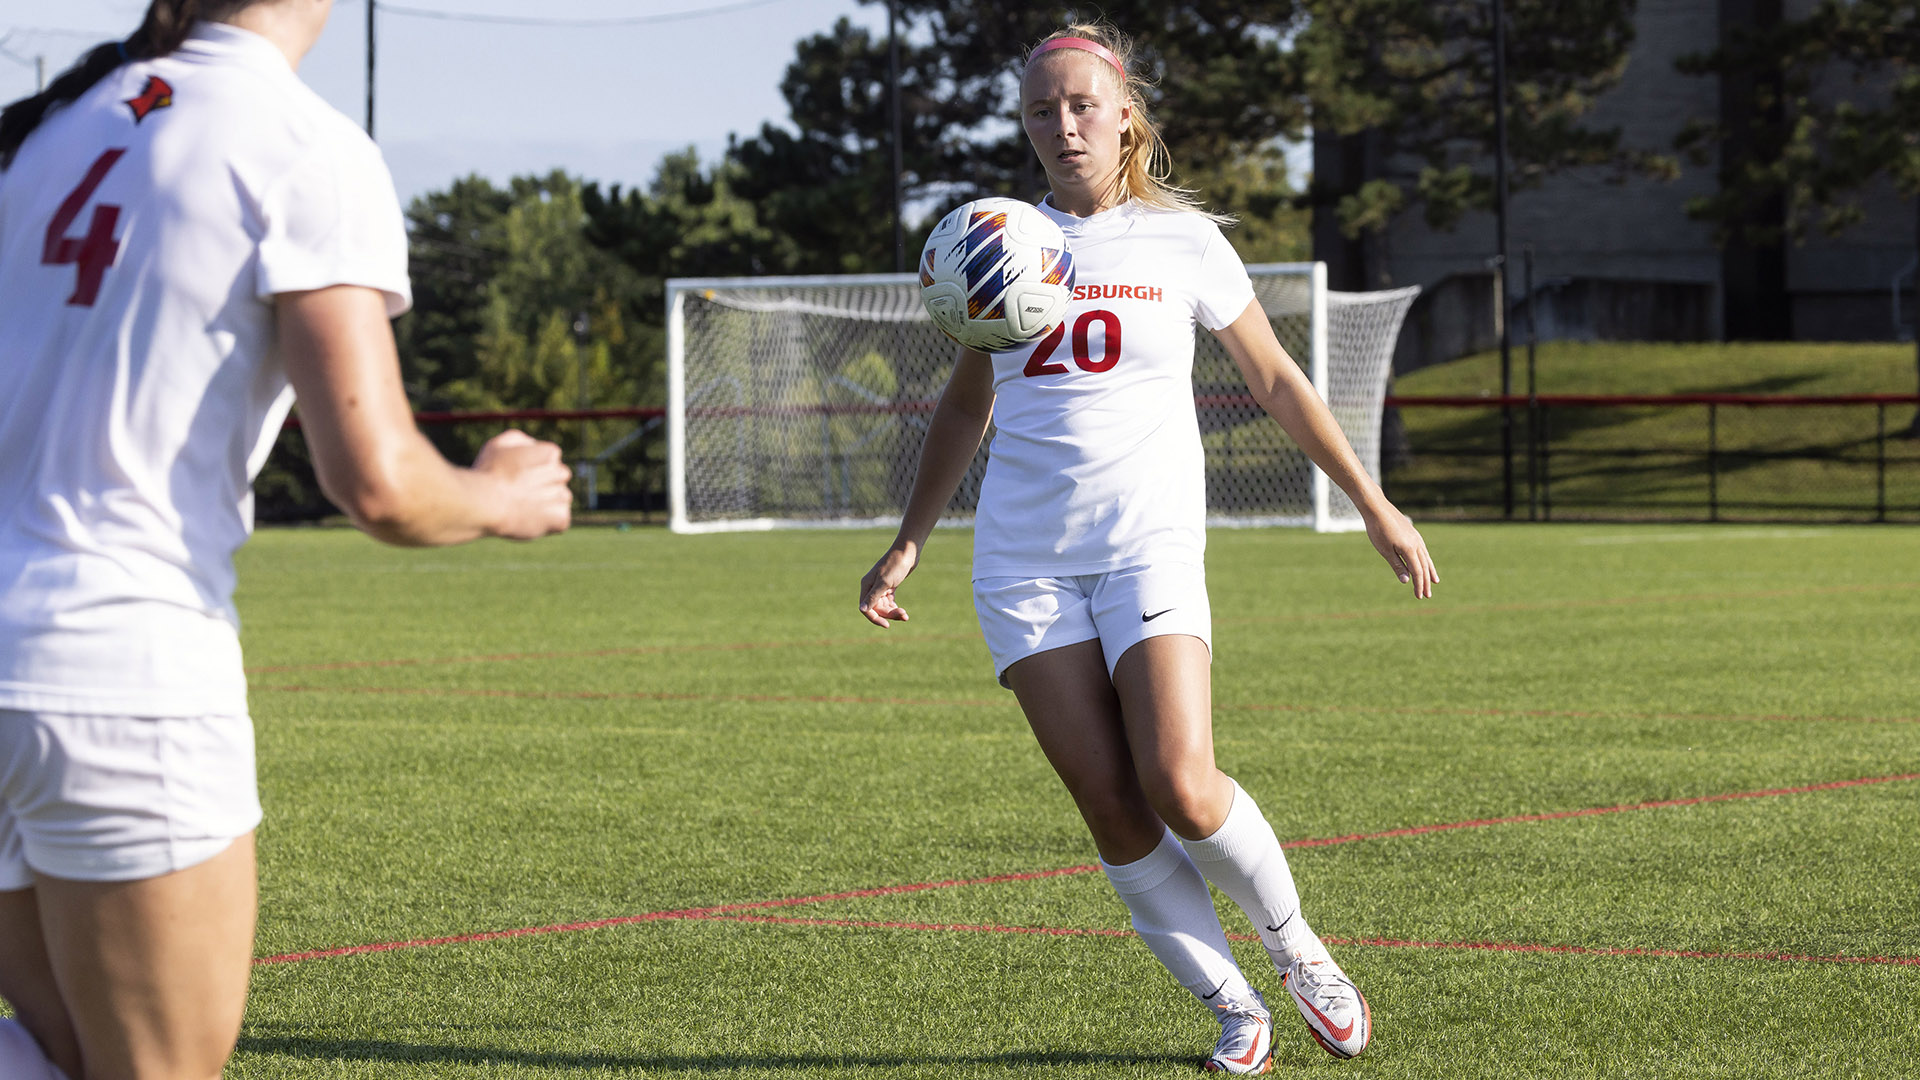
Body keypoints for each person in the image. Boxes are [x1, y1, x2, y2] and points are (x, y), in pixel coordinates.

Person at [0, 2, 573, 1077]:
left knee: (64, 1052)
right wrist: (504, 494)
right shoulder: (301, 146)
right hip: (118, 669)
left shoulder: (50, 132)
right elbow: (382, 484)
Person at [860, 23, 1438, 1075]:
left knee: (1178, 778)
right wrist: (907, 545)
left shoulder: (1184, 242)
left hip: (1147, 547)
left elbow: (1276, 382)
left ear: (1126, 112)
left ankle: (1296, 948)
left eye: (1082, 104)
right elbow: (961, 410)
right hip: (1023, 562)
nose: (1063, 125)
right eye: (1042, 109)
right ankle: (1234, 1007)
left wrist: (1372, 502)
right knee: (1111, 803)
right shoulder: (997, 238)